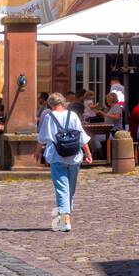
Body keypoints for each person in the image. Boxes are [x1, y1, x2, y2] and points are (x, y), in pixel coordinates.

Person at [36, 92, 92, 233]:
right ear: (63, 102)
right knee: (70, 189)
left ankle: (65, 219)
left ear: (50, 104)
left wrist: (38, 152)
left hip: (57, 157)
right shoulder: (72, 115)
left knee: (62, 189)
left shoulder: (49, 117)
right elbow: (81, 136)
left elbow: (42, 137)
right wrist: (88, 153)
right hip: (74, 157)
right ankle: (66, 214)